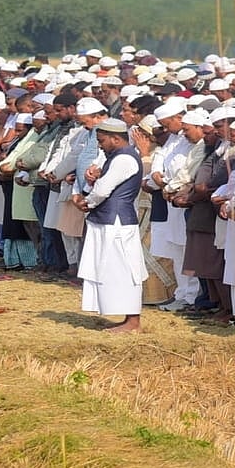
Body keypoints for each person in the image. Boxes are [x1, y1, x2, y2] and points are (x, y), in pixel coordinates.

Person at [72, 118, 148, 333]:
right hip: (108, 218)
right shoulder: (116, 157)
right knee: (110, 268)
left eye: (102, 140)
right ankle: (127, 318)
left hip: (117, 221)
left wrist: (87, 202)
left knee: (124, 269)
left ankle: (133, 322)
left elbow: (104, 189)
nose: (100, 145)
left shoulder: (124, 159)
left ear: (116, 139)